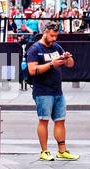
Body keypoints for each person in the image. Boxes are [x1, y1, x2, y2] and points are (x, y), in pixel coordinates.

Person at [25, 23, 79, 161]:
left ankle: (62, 150)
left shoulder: (56, 47)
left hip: (57, 91)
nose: (54, 38)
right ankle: (44, 151)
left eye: (56, 36)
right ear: (45, 33)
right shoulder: (34, 49)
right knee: (44, 120)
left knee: (60, 121)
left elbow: (70, 65)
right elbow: (32, 70)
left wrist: (67, 57)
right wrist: (51, 64)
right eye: (52, 35)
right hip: (42, 91)